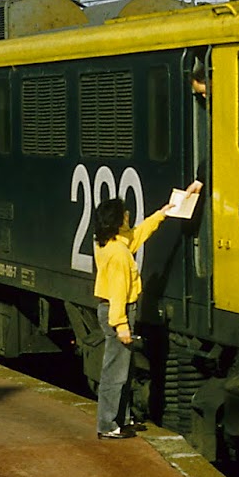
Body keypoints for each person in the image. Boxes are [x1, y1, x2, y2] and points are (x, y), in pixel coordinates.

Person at [91, 186, 199, 439]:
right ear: (118, 221)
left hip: (114, 310)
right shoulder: (118, 254)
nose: (128, 215)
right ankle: (108, 425)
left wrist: (164, 212)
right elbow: (118, 292)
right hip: (117, 311)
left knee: (123, 370)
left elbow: (137, 235)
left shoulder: (111, 243)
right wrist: (121, 325)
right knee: (114, 373)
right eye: (124, 214)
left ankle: (122, 419)